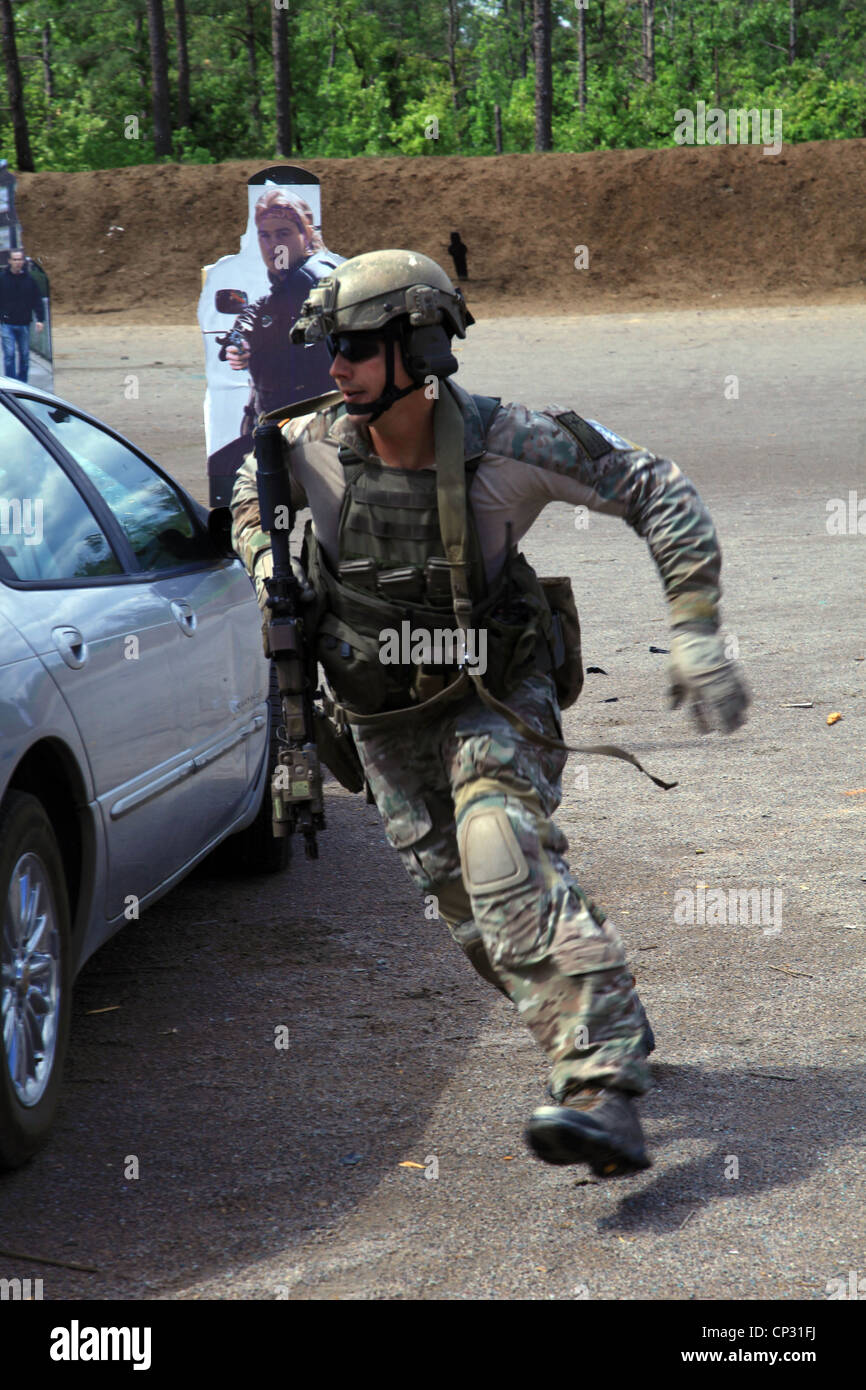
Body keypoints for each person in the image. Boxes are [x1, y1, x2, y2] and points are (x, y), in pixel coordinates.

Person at [229, 250, 750, 1178]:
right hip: (382, 725)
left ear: (417, 346)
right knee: (479, 928)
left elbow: (653, 486)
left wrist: (696, 629)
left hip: (494, 695)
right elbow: (244, 496)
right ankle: (609, 1020)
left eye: (353, 348)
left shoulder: (506, 442)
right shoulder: (304, 445)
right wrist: (266, 561)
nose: (335, 369)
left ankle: (601, 1091)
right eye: (330, 350)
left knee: (500, 851)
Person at [221, 189, 343, 432]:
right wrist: (240, 339)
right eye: (265, 235)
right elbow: (261, 309)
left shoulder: (312, 279)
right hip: (286, 419)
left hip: (309, 422)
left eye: (283, 234)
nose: (274, 245)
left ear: (305, 235)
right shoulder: (288, 284)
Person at [0, 250, 44, 382]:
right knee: (9, 355)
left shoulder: (29, 280)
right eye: (15, 259)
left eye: (20, 259)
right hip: (6, 323)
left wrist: (40, 319)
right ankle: (12, 384)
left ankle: (23, 384)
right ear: (10, 261)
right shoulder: (2, 279)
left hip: (24, 323)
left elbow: (37, 299)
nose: (18, 262)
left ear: (23, 261)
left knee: (25, 356)